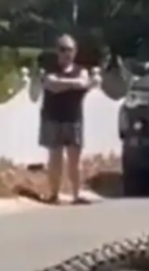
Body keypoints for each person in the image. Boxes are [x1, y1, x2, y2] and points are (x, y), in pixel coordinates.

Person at [39, 34, 98, 204]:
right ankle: (54, 195)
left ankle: (76, 194)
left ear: (75, 51)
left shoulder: (82, 70)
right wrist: (73, 84)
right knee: (55, 158)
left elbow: (84, 83)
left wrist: (65, 83)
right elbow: (52, 85)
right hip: (52, 118)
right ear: (57, 51)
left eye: (70, 49)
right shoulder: (49, 69)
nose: (66, 53)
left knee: (74, 160)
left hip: (74, 119)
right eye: (63, 49)